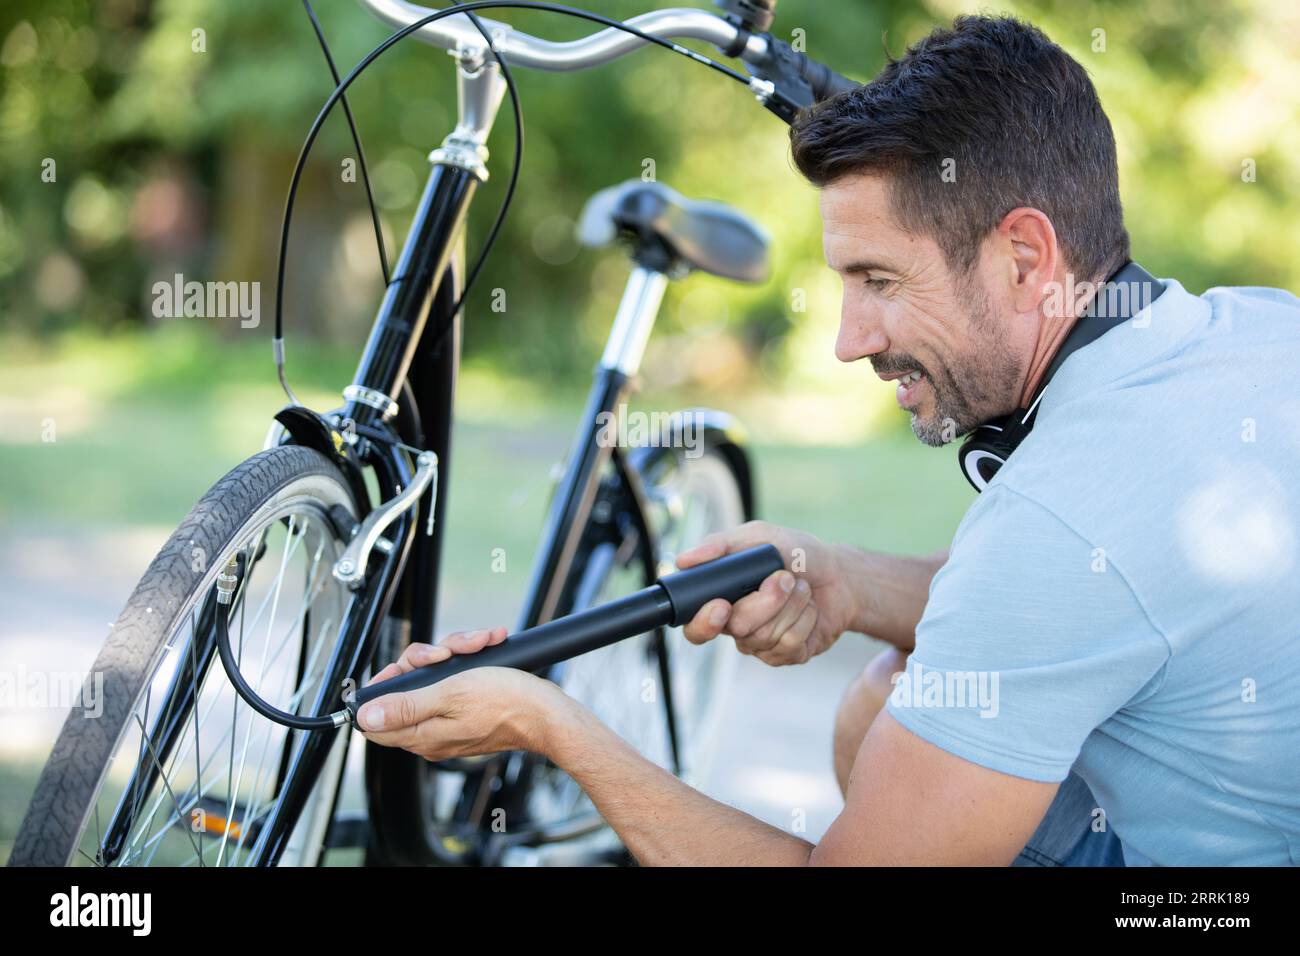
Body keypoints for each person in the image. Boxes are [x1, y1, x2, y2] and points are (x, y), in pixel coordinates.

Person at [356, 14, 1300, 865]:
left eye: (881, 282)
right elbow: (1096, 589)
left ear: (1024, 257)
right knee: (901, 693)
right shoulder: (1257, 330)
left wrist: (549, 724)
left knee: (905, 701)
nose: (851, 341)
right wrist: (844, 579)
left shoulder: (1053, 529)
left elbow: (1051, 577)